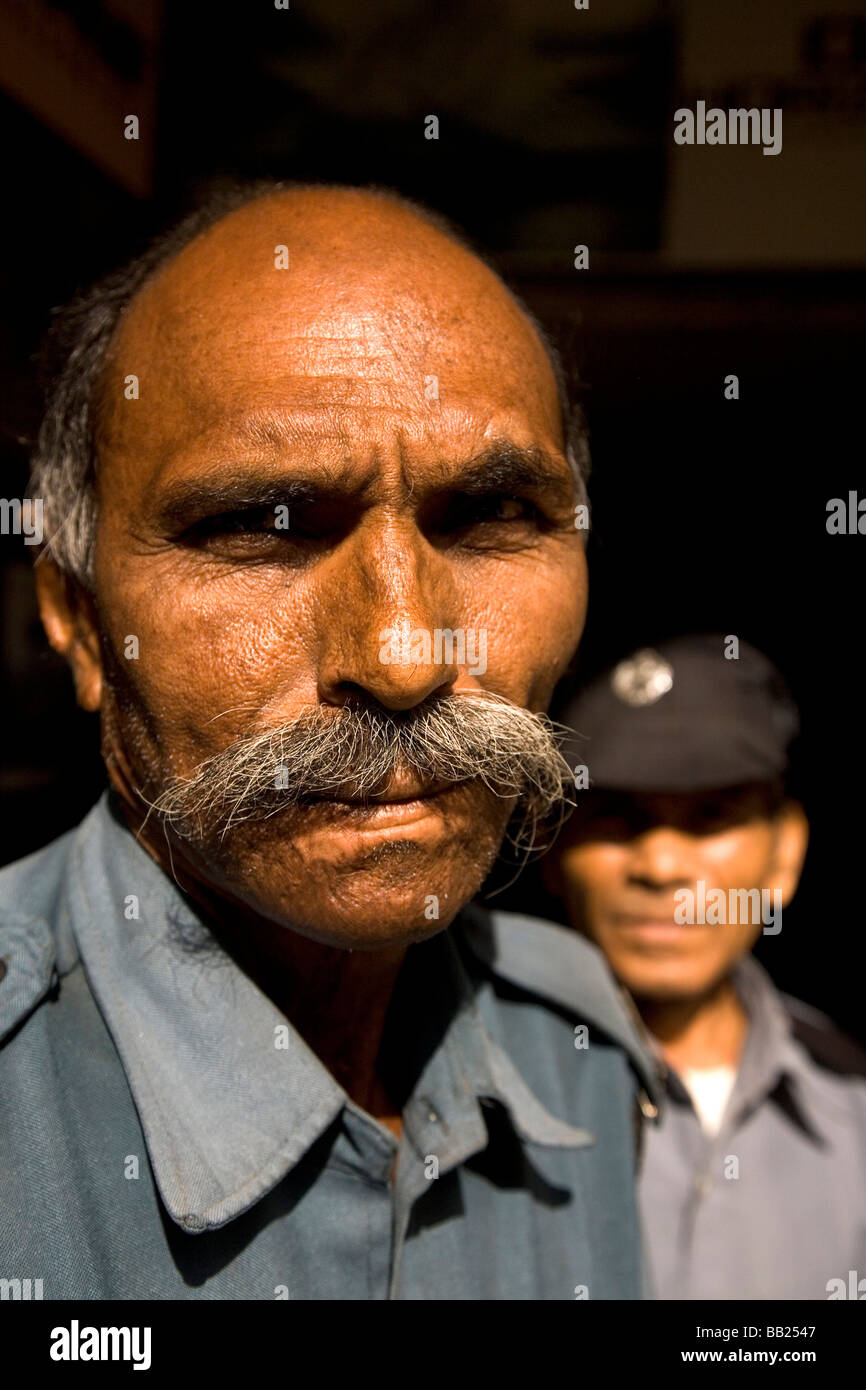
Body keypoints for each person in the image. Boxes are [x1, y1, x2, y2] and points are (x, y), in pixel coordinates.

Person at [0, 182, 659, 1301]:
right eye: (262, 528)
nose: (402, 656)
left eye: (489, 517)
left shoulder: (576, 1048)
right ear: (77, 617)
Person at [547, 635, 866, 1299]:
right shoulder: (472, 1100)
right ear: (552, 846)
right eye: (617, 816)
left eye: (711, 816)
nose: (660, 867)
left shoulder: (852, 1102)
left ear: (785, 853)